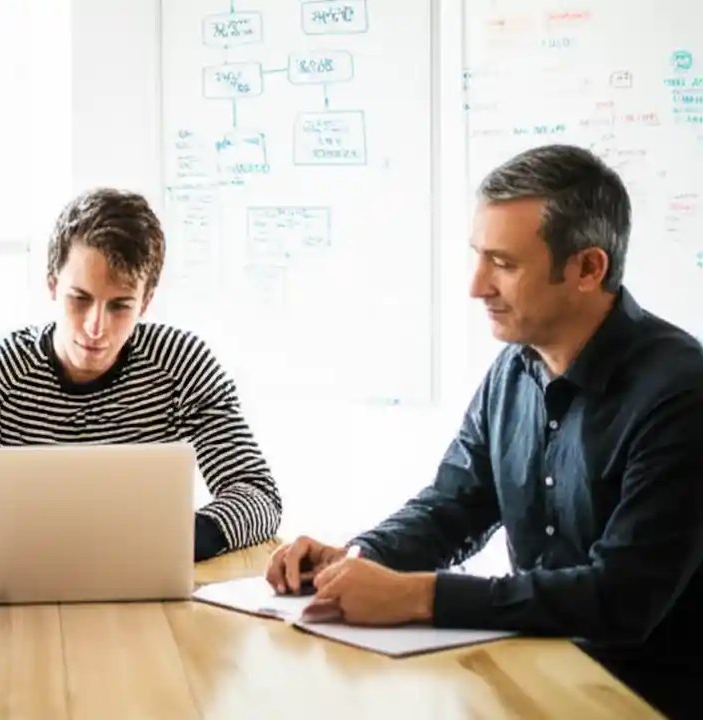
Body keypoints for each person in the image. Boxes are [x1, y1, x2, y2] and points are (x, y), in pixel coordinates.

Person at [265, 144, 703, 719]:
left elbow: (621, 598)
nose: (477, 286)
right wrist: (354, 559)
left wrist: (420, 596)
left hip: (638, 699)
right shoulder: (515, 367)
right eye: (479, 257)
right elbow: (454, 506)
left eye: (504, 263)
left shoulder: (681, 394)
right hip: (534, 673)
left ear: (588, 269)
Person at [0, 188, 282, 564]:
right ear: (52, 284)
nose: (95, 327)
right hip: (15, 585)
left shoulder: (183, 364)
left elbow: (258, 495)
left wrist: (179, 538)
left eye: (120, 305)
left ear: (147, 300)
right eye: (79, 299)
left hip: (142, 584)